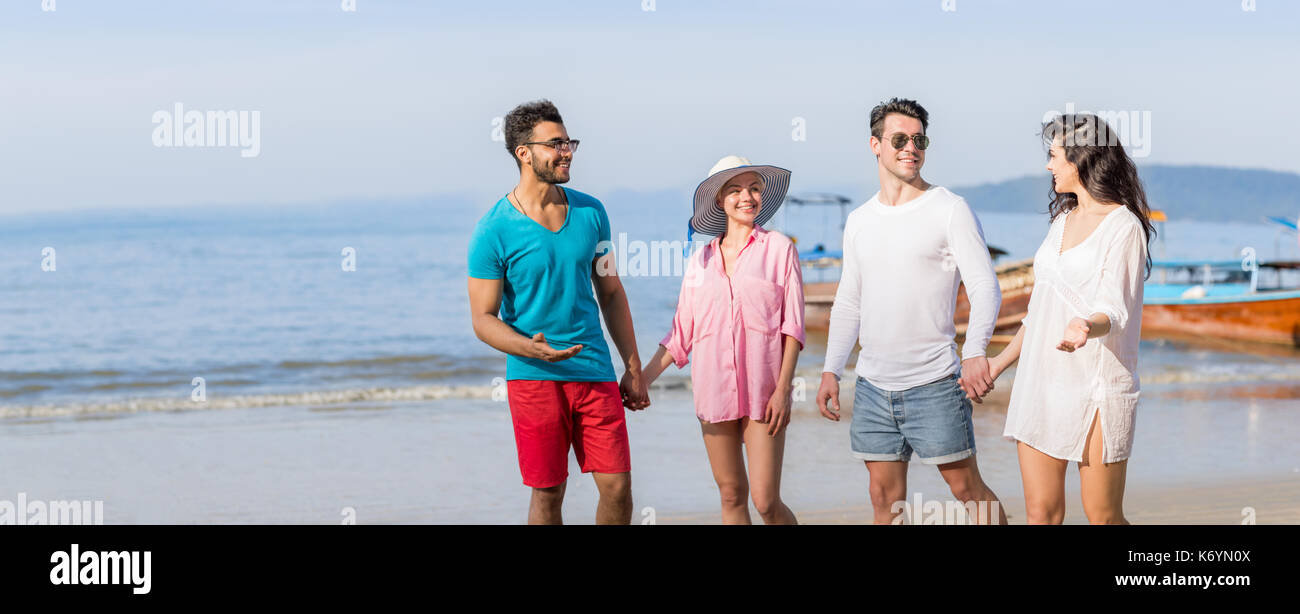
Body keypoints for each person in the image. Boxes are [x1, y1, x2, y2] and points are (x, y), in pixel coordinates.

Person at [815, 98, 1008, 525]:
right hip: (871, 387)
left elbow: (984, 285)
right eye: (899, 139)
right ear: (875, 145)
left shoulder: (949, 209)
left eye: (919, 140)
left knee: (967, 490)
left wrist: (975, 351)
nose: (911, 147)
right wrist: (832, 370)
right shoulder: (860, 220)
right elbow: (849, 300)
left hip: (935, 383)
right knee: (884, 501)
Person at [466, 99, 649, 525]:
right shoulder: (493, 229)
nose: (566, 152)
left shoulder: (591, 212)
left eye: (569, 142)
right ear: (523, 152)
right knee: (549, 493)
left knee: (618, 487)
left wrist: (633, 366)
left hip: (594, 370)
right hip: (534, 379)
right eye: (555, 144)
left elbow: (611, 291)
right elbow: (483, 319)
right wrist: (533, 349)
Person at [988, 113, 1155, 525]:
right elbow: (1039, 312)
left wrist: (1086, 326)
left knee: (1102, 516)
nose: (1048, 165)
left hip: (1098, 384)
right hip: (1041, 382)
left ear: (1081, 159)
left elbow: (1115, 308)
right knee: (1040, 514)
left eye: (1054, 155)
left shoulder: (1123, 227)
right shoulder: (1062, 221)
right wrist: (997, 364)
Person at [640, 156, 804, 525]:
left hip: (765, 394)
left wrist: (783, 390)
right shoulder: (700, 262)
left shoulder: (779, 249)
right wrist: (642, 379)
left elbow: (792, 327)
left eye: (754, 188)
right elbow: (681, 334)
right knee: (731, 496)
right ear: (719, 200)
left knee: (765, 501)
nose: (746, 196)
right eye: (735, 190)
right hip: (714, 391)